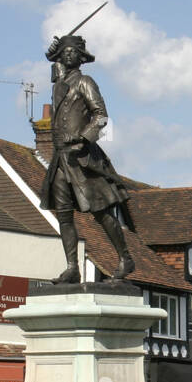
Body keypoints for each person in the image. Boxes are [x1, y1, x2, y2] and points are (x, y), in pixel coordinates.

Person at [42, 33, 135, 283]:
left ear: (81, 58)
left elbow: (101, 116)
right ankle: (72, 266)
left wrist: (85, 138)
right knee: (63, 214)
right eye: (65, 52)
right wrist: (51, 53)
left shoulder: (85, 82)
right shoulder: (59, 84)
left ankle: (125, 257)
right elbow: (55, 70)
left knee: (101, 212)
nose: (68, 55)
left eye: (73, 52)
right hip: (60, 159)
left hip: (82, 158)